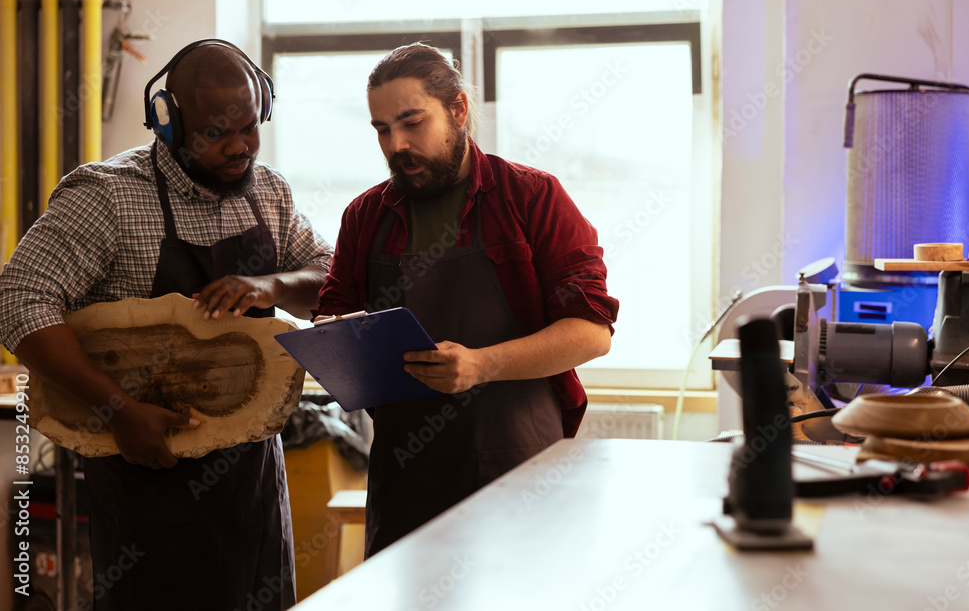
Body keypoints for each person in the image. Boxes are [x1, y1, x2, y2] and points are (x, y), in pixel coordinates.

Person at [0, 40, 334, 611]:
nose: (239, 148)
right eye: (214, 134)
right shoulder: (106, 197)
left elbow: (329, 277)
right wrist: (120, 412)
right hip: (144, 478)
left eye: (250, 128)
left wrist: (271, 286)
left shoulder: (269, 192)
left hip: (252, 479)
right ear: (168, 123)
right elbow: (19, 301)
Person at [313, 42, 619, 557]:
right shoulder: (365, 216)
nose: (397, 145)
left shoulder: (533, 198)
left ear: (458, 109)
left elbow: (591, 332)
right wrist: (337, 340)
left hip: (518, 464)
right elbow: (332, 313)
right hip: (406, 473)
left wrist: (481, 365)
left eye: (412, 122)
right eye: (382, 130)